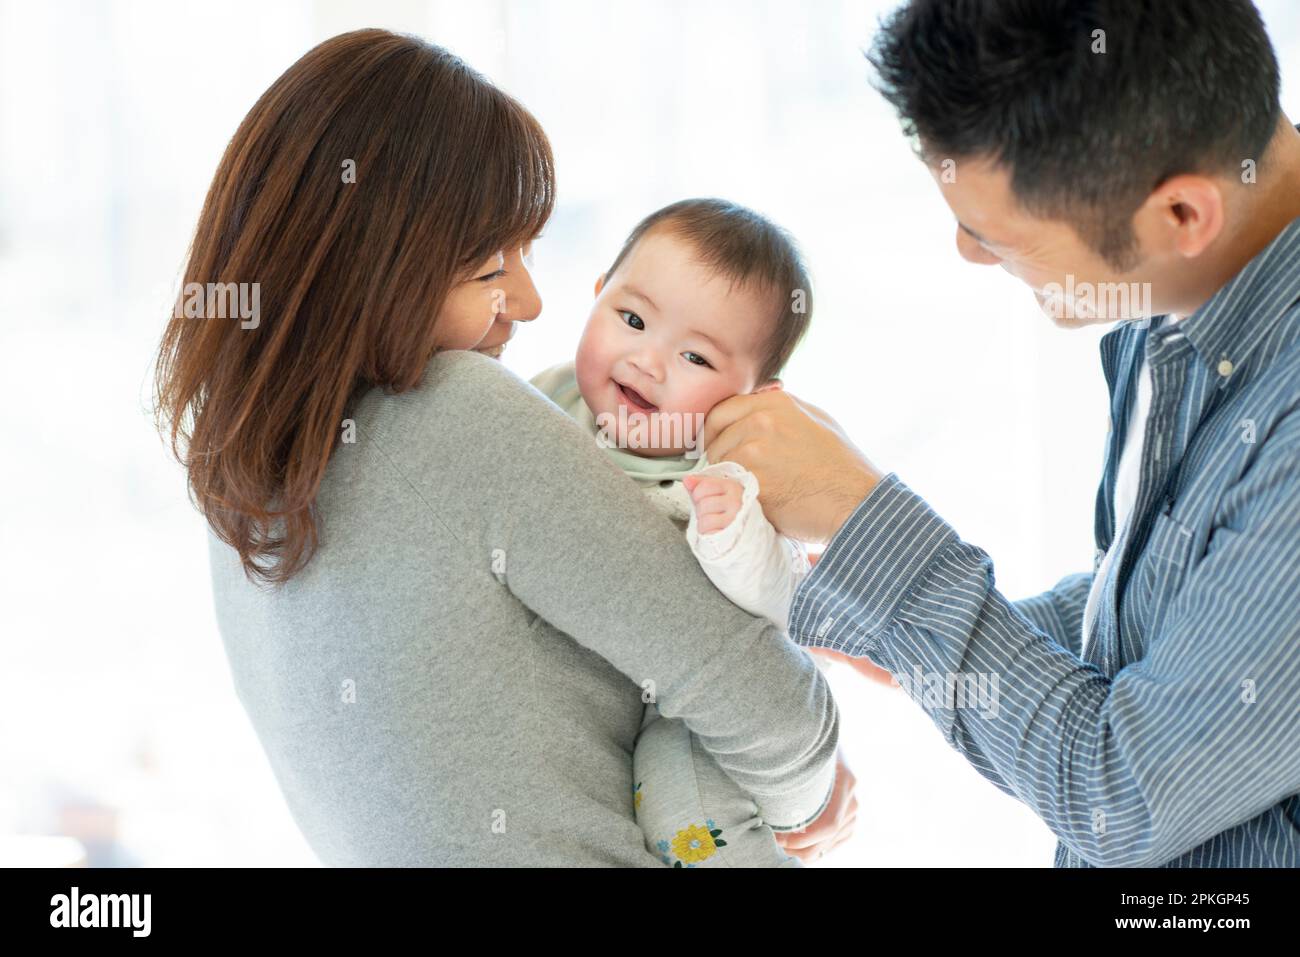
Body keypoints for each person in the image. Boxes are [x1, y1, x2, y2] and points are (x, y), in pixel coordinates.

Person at [153, 28, 850, 866]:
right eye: (490, 267)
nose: (527, 299)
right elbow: (771, 712)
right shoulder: (453, 412)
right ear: (379, 268)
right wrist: (812, 795)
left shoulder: (236, 476)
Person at [706, 0, 1300, 866]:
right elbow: (1173, 610)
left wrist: (874, 531)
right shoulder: (1184, 287)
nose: (966, 251)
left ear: (1180, 216)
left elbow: (1121, 798)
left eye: (998, 235)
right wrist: (929, 628)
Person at [530, 197, 822, 866]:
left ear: (754, 394)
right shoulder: (542, 402)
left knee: (688, 814)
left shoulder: (730, 474)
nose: (648, 361)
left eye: (695, 356)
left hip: (685, 711)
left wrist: (734, 539)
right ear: (597, 294)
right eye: (631, 319)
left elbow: (784, 601)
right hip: (583, 690)